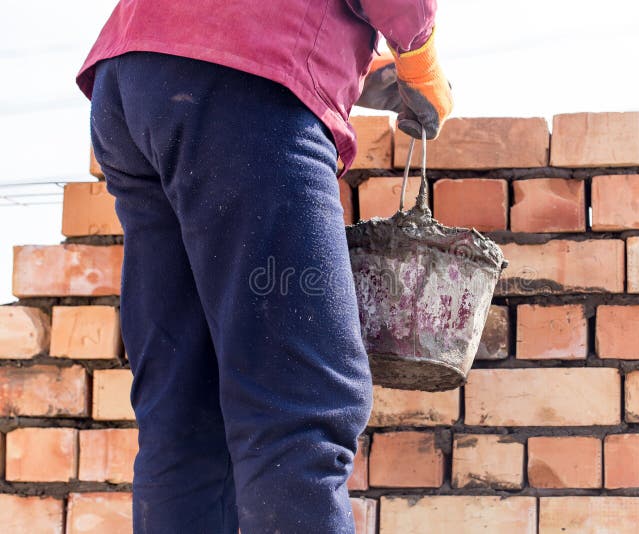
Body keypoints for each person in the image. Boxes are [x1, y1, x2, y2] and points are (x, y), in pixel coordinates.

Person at [75, 1, 453, 532]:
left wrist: (346, 61)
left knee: (186, 415)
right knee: (299, 413)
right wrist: (420, 58)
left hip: (136, 76)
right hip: (244, 88)